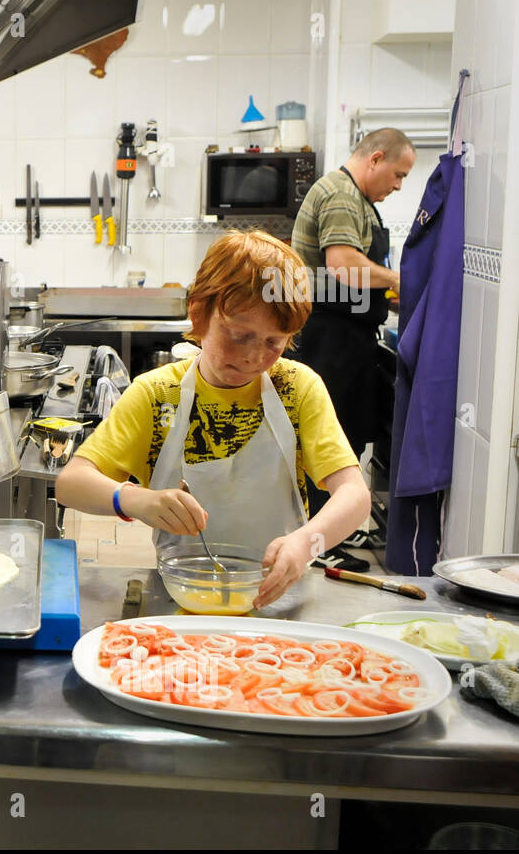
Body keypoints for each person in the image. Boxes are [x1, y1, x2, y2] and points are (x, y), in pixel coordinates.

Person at [55, 231, 371, 608]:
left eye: (274, 342)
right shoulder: (158, 395)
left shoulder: (297, 389)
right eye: (239, 336)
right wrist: (135, 500)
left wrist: (308, 542)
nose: (255, 357)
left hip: (279, 599)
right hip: (186, 600)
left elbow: (355, 495)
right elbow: (70, 484)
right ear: (199, 314)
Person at [291, 127, 416, 569]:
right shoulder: (343, 195)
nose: (398, 186)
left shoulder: (353, 196)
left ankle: (324, 536)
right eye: (398, 174)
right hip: (329, 337)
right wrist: (401, 280)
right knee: (328, 440)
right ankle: (317, 543)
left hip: (345, 336)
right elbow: (343, 266)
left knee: (335, 437)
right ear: (376, 158)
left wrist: (385, 291)